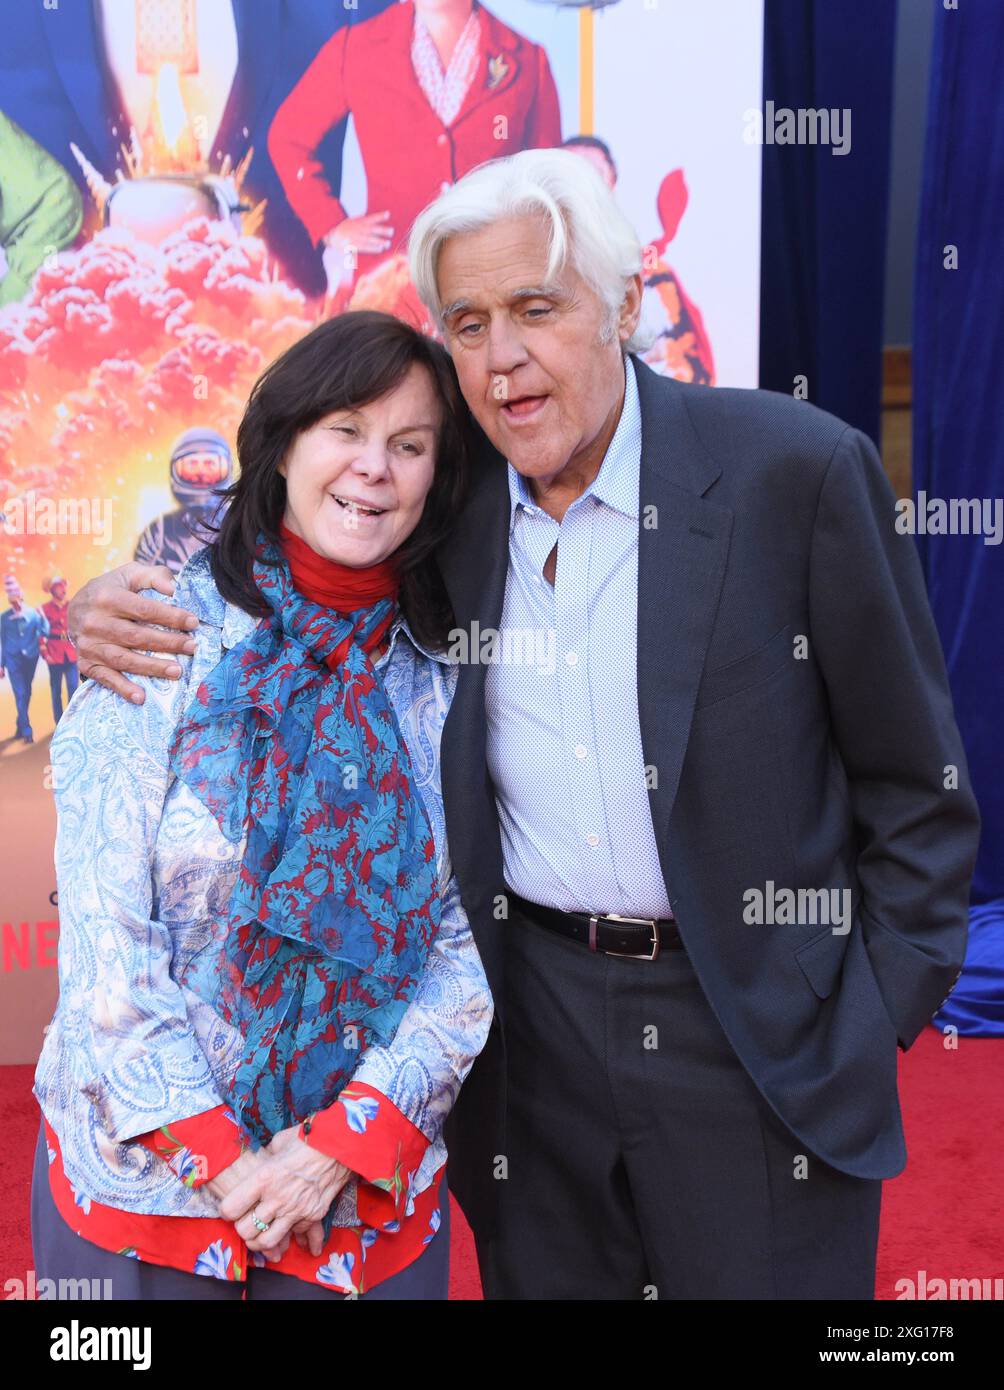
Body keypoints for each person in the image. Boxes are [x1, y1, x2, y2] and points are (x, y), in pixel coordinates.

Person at [67, 149, 980, 1301]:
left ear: (626, 305)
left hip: (752, 1031)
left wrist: (860, 1018)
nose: (502, 358)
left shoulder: (791, 474)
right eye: (468, 320)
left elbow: (918, 789)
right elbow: (282, 550)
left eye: (536, 307)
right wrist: (102, 608)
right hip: (527, 1038)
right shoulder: (437, 513)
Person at [33, 310, 492, 1300]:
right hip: (145, 1201)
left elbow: (467, 938)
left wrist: (331, 1150)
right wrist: (230, 1168)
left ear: (435, 477)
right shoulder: (155, 637)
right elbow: (106, 944)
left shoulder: (445, 676)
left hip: (360, 1193)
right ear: (281, 442)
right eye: (344, 429)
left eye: (408, 446)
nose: (374, 467)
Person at [267, 0, 560, 297]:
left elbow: (548, 180)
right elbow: (288, 137)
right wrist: (330, 224)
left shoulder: (527, 58)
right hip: (389, 284)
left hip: (492, 281)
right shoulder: (356, 47)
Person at [134, 428, 233, 575]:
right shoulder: (158, 533)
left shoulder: (242, 527)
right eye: (192, 465)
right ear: (175, 472)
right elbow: (139, 583)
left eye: (210, 464)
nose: (201, 474)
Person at [1, 574, 48, 743]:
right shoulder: (4, 618)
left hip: (31, 658)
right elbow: (2, 641)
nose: (16, 601)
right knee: (20, 693)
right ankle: (27, 730)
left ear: (21, 596)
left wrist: (42, 616)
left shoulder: (33, 613)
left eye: (17, 597)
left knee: (26, 692)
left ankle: (19, 727)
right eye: (12, 598)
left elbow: (45, 631)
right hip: (13, 660)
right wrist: (1, 665)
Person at [39, 574, 79, 723]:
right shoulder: (44, 609)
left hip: (71, 653)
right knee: (56, 691)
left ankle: (72, 721)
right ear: (52, 590)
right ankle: (59, 723)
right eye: (59, 587)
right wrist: (45, 653)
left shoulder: (72, 605)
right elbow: (41, 633)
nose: (63, 589)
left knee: (73, 688)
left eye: (64, 586)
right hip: (54, 654)